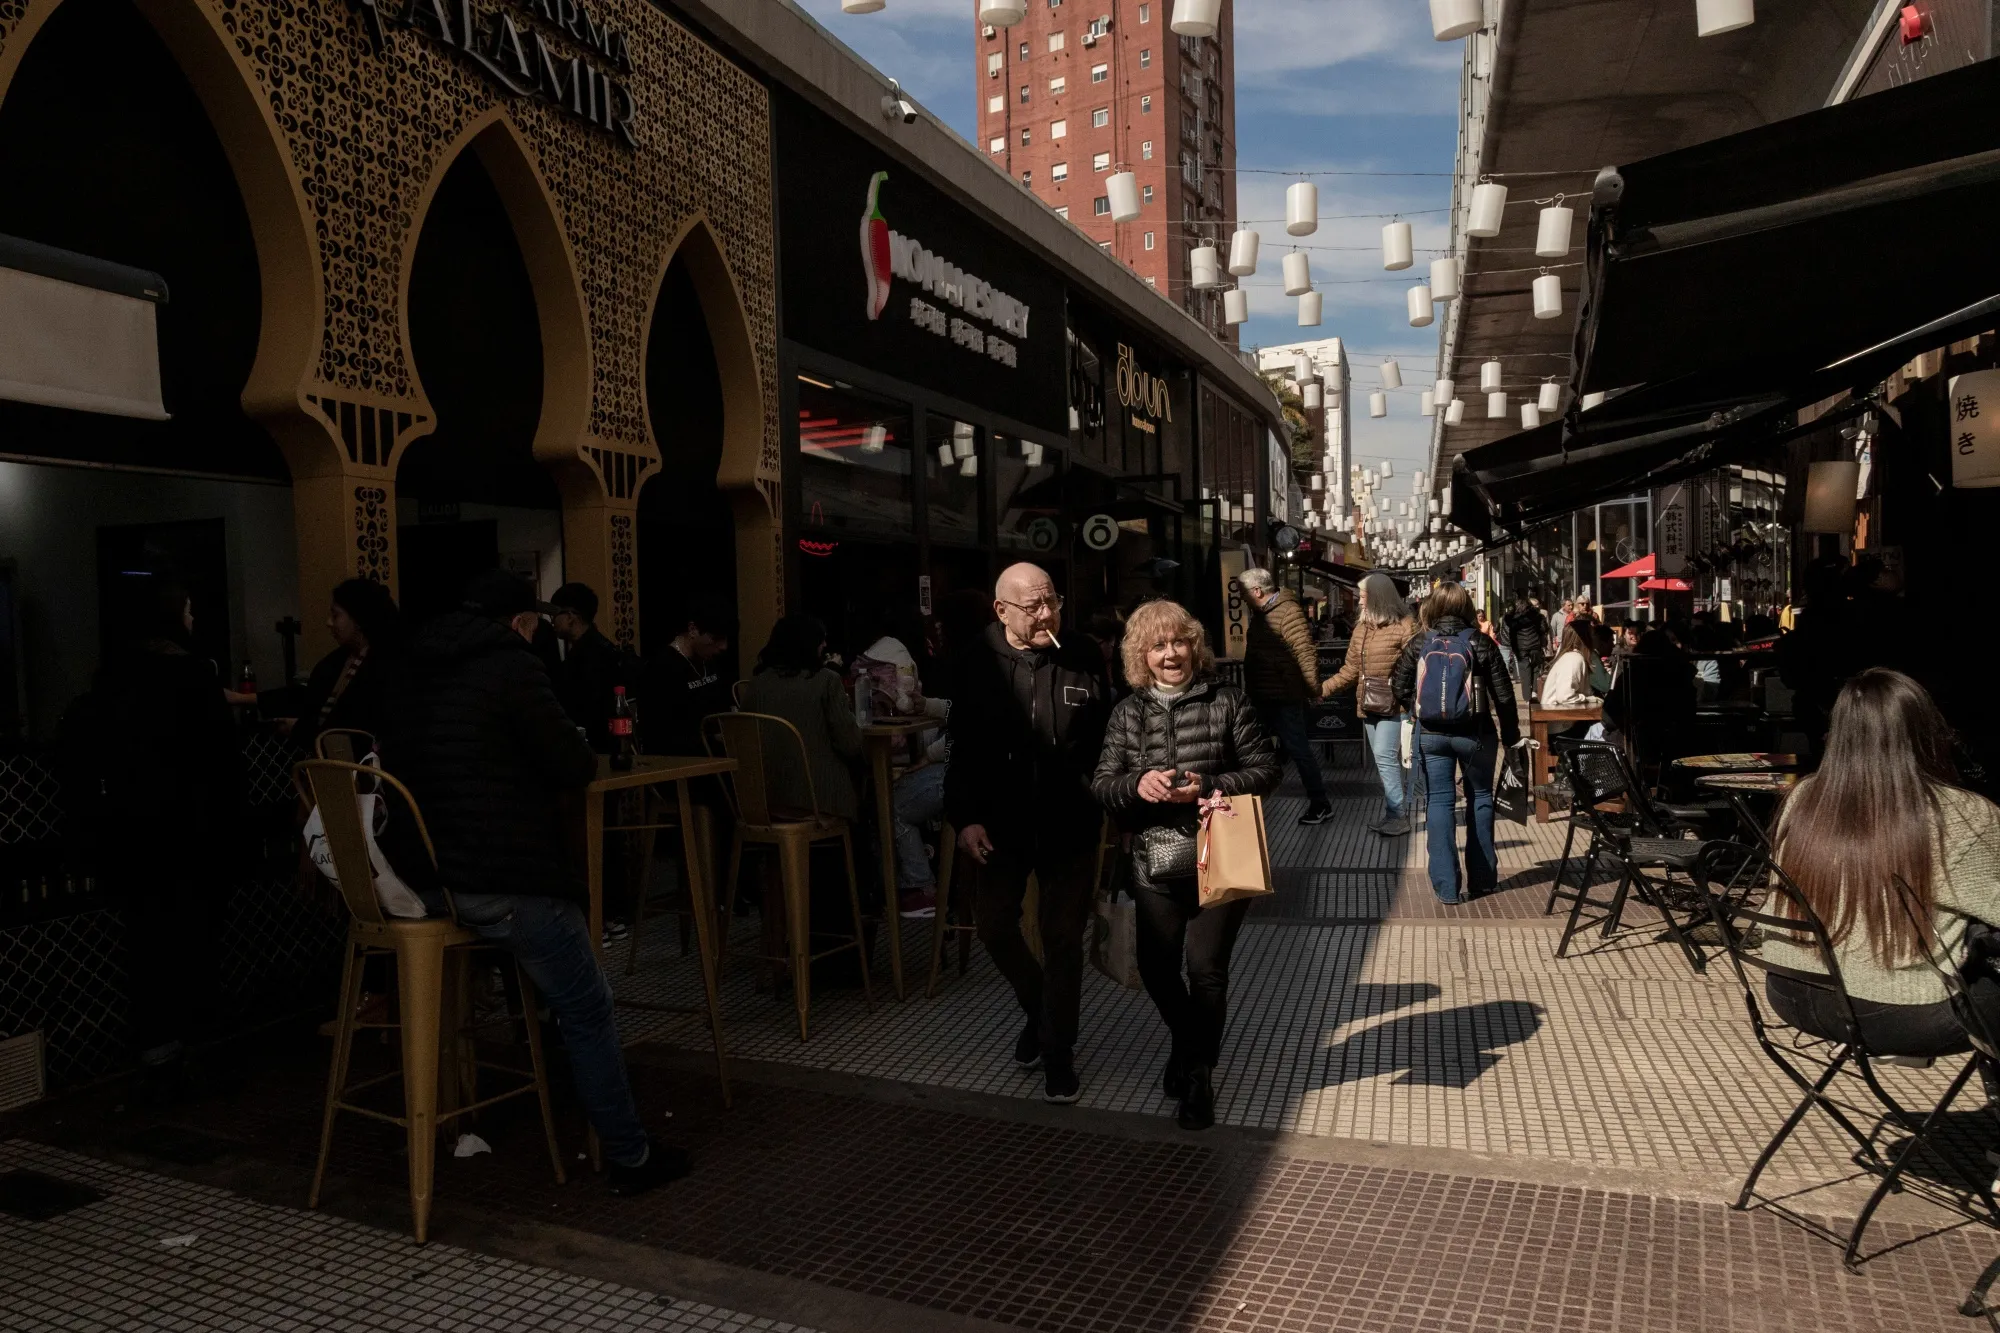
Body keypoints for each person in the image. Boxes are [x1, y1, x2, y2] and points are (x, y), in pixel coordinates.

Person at [382, 570, 682, 1195]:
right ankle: (629, 1156)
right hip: (498, 881)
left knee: (547, 976)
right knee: (587, 1005)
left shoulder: (407, 667)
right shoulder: (513, 667)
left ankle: (462, 1111)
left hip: (422, 890)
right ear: (519, 622)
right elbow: (572, 763)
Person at [1091, 600, 1278, 1130]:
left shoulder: (1228, 700)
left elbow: (1267, 769)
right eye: (1157, 645)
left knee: (1206, 971)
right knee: (1155, 965)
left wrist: (1212, 785)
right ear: (1140, 655)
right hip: (1154, 855)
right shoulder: (1128, 712)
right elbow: (1103, 783)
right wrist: (1136, 784)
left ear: (1195, 645)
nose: (1170, 654)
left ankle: (1197, 1075)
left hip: (1221, 848)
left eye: (1179, 642)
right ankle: (1189, 1044)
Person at [1763, 669, 2000, 1055]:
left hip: (1790, 990)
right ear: (1928, 731)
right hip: (1903, 1010)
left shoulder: (1804, 797)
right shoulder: (1963, 813)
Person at [943, 562, 1112, 1104]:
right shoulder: (975, 662)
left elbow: (1109, 736)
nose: (1047, 614)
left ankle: (1059, 1054)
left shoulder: (1082, 654)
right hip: (1000, 822)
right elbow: (960, 750)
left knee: (1063, 937)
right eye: (1033, 606)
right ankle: (1039, 1009)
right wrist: (964, 817)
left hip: (1070, 822)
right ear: (1002, 610)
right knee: (994, 925)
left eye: (1052, 601)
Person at [68, 581, 243, 1094]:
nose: (193, 620)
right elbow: (220, 764)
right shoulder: (191, 676)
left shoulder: (113, 676)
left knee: (147, 945)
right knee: (193, 942)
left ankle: (156, 1049)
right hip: (191, 836)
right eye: (188, 611)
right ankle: (191, 1046)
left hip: (132, 836)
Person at [1391, 582, 1521, 905]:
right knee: (1479, 798)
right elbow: (1504, 696)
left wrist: (1418, 709)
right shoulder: (1480, 642)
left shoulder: (1420, 641)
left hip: (1432, 735)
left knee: (1440, 802)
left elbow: (1398, 685)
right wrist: (1512, 736)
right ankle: (1483, 880)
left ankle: (1446, 887)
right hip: (1476, 733)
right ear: (1466, 607)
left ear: (1432, 607)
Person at [738, 615, 865, 822]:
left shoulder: (757, 683)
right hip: (819, 800)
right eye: (820, 639)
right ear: (807, 643)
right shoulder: (827, 681)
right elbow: (850, 743)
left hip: (764, 799)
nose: (825, 644)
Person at [1319, 572, 1418, 835]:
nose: (1360, 602)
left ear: (1378, 598)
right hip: (1368, 704)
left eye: (1363, 597)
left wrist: (1408, 700)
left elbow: (1417, 667)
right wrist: (1323, 689)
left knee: (1385, 758)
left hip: (1393, 705)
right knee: (1382, 760)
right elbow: (1350, 669)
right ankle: (1393, 814)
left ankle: (1397, 816)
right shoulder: (1362, 629)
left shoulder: (1405, 625)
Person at [1237, 566, 1332, 825]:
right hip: (1263, 696)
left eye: (1244, 592)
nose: (1241, 598)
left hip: (1284, 696)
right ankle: (1250, 803)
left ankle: (1320, 803)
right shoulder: (1261, 614)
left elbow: (1305, 653)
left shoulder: (1288, 612)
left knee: (1299, 750)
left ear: (1257, 591)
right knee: (1253, 750)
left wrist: (1312, 690)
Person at [292, 578, 403, 755]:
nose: (329, 622)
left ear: (358, 619)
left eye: (336, 615)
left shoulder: (387, 665)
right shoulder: (334, 662)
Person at [546, 582, 639, 752]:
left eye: (555, 613)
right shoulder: (603, 648)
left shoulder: (588, 657)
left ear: (570, 616)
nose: (552, 620)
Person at [649, 600, 736, 758]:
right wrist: (710, 738)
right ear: (693, 629)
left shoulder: (709, 660)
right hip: (686, 760)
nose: (723, 646)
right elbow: (662, 733)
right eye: (716, 638)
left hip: (718, 756)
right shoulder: (663, 666)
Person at [1501, 593, 1549, 705]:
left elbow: (1507, 622)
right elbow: (1544, 628)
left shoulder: (1513, 618)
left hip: (1520, 646)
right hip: (1534, 645)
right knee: (1536, 667)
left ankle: (1527, 697)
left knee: (1524, 670)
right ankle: (1534, 692)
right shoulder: (1535, 615)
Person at [1540, 625, 1601, 712]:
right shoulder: (1573, 659)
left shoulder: (1573, 657)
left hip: (1566, 718)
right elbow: (1565, 697)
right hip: (1562, 721)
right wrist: (1589, 699)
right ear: (1584, 639)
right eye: (1593, 635)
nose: (1596, 639)